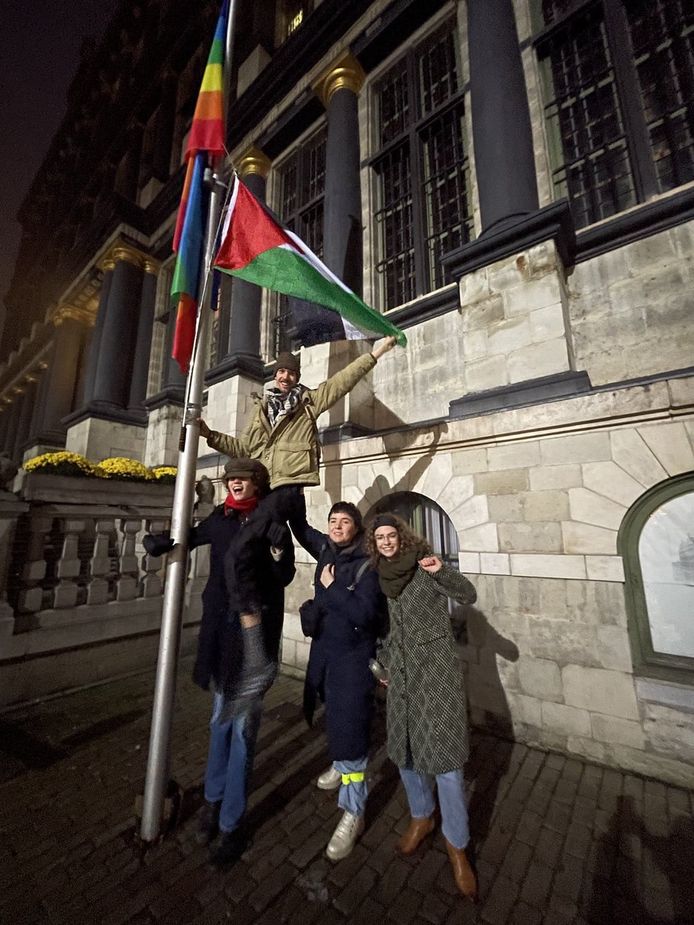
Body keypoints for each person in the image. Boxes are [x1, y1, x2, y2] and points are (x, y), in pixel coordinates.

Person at [198, 336, 396, 699]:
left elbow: (341, 382)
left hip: (288, 488)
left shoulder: (308, 403)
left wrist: (375, 353)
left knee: (240, 550)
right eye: (281, 372)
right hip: (269, 493)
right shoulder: (262, 408)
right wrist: (209, 435)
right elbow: (244, 449)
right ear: (275, 375)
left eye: (291, 372)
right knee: (298, 541)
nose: (286, 377)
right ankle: (347, 556)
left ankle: (256, 656)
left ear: (297, 376)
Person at [145, 458, 295, 865]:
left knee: (243, 732)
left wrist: (279, 550)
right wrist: (164, 543)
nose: (235, 484)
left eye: (243, 479)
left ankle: (232, 822)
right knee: (219, 723)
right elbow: (192, 537)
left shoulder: (271, 522)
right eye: (231, 479)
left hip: (252, 637)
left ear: (257, 484)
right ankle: (213, 801)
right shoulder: (221, 518)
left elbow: (284, 576)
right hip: (221, 635)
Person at [365, 513, 479, 901]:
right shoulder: (381, 576)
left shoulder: (423, 565)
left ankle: (457, 844)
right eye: (379, 537)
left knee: (447, 764)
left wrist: (441, 571)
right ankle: (422, 816)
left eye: (390, 535)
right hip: (401, 676)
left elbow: (468, 595)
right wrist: (384, 662)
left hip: (436, 673)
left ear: (401, 536)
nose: (386, 541)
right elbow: (387, 628)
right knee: (405, 753)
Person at [292, 499, 384, 861]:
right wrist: (290, 490)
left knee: (353, 735)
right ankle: (340, 763)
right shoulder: (326, 549)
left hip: (353, 661)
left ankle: (354, 810)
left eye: (345, 521)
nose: (337, 526)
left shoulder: (367, 565)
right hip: (326, 656)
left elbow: (365, 613)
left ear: (356, 528)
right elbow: (302, 530)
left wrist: (331, 588)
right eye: (333, 520)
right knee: (335, 718)